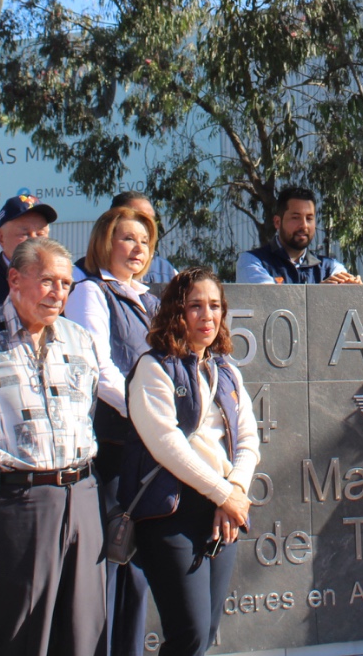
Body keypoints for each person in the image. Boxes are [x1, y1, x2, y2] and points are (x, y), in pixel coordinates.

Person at [0, 237, 105, 656]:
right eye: (48, 281)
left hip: (81, 498)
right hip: (11, 506)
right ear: (14, 279)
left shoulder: (80, 340)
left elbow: (87, 413)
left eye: (66, 284)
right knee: (14, 637)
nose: (58, 293)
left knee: (81, 631)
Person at [124, 268, 261, 656]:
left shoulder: (227, 371)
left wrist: (232, 493)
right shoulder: (153, 368)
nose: (207, 316)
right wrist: (222, 493)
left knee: (207, 631)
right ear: (176, 312)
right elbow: (166, 444)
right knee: (190, 634)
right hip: (172, 513)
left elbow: (248, 441)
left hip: (222, 511)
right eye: (195, 306)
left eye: (214, 306)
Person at [65, 205, 160, 656]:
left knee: (138, 573)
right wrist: (146, 415)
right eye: (127, 238)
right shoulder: (90, 293)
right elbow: (98, 371)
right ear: (105, 242)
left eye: (144, 241)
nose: (137, 248)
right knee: (110, 567)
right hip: (115, 449)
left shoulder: (151, 300)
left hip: (151, 453)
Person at [235, 186, 360, 284]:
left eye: (309, 218)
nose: (304, 225)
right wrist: (321, 294)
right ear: (277, 222)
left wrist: (353, 290)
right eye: (296, 218)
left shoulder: (330, 268)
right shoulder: (252, 261)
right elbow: (270, 302)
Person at [108, 191, 179, 285]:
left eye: (152, 220)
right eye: (140, 218)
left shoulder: (166, 271)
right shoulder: (87, 276)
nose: (149, 225)